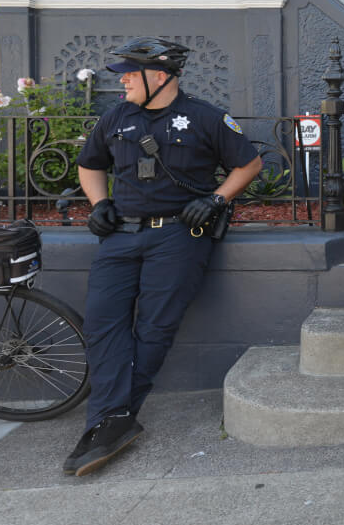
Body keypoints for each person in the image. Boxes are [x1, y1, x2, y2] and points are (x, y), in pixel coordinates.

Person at [63, 37, 262, 476]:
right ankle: (113, 418)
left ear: (161, 76)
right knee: (102, 323)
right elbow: (89, 164)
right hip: (121, 236)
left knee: (154, 327)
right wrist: (98, 204)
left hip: (178, 236)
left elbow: (248, 164)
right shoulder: (116, 117)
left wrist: (216, 200)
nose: (124, 81)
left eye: (131, 73)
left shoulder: (205, 117)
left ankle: (108, 421)